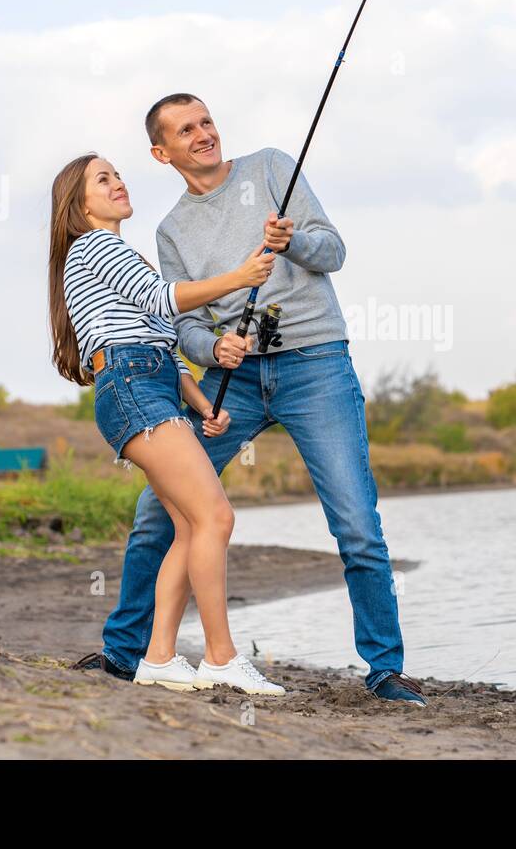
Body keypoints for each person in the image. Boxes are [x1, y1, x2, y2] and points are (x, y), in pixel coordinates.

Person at [82, 93, 426, 706]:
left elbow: (333, 252)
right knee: (157, 517)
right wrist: (215, 350)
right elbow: (177, 322)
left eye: (206, 121)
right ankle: (124, 653)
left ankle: (384, 667)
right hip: (232, 383)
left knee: (355, 521)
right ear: (163, 152)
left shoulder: (271, 168)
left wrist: (292, 241)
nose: (203, 134)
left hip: (314, 362)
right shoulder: (169, 232)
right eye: (185, 130)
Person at [50, 152, 285, 695]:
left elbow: (166, 345)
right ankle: (222, 657)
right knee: (216, 519)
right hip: (131, 385)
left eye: (117, 174)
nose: (118, 183)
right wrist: (240, 277)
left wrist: (202, 405)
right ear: (77, 204)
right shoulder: (94, 247)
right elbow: (165, 300)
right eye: (102, 179)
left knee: (190, 525)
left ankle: (157, 656)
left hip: (150, 382)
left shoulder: (115, 252)